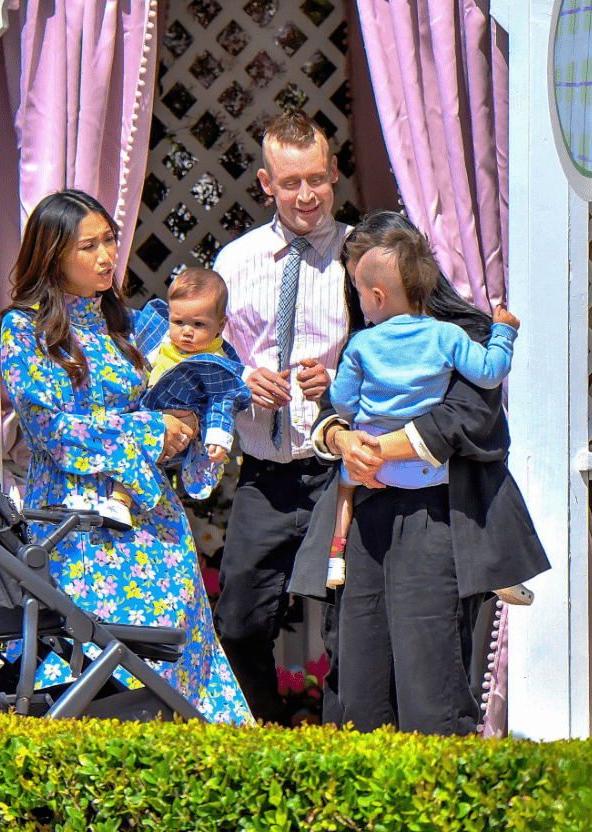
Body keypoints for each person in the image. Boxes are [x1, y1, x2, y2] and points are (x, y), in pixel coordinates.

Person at [290, 210, 551, 735]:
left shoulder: (464, 332)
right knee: (358, 679)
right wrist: (341, 437)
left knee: (429, 681)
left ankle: (442, 787)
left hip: (437, 514)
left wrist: (371, 448)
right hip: (367, 515)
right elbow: (336, 413)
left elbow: (464, 417)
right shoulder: (368, 338)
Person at [0, 189, 253, 725]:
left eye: (109, 240)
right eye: (88, 246)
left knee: (181, 654)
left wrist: (195, 429)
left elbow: (184, 392)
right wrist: (150, 430)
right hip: (77, 523)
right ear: (53, 254)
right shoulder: (24, 329)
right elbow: (53, 431)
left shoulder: (133, 325)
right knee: (94, 662)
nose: (107, 256)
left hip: (153, 517)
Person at [211, 109, 349, 724]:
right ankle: (266, 735)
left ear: (334, 172)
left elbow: (395, 353)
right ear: (267, 183)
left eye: (316, 179)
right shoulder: (234, 261)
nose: (306, 195)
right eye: (291, 183)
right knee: (239, 623)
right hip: (265, 475)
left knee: (351, 624)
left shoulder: (360, 256)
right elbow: (202, 357)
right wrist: (243, 380)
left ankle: (347, 741)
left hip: (340, 477)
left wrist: (340, 384)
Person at [326, 227, 532, 606]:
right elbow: (490, 372)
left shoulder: (361, 344)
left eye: (358, 291)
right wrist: (503, 332)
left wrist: (347, 415)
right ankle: (497, 566)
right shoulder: (447, 336)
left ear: (377, 296)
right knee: (481, 478)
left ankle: (334, 558)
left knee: (343, 488)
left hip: (371, 466)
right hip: (430, 470)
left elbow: (341, 402)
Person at [105, 268, 251, 522]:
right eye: (179, 322)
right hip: (144, 410)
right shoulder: (161, 336)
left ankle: (120, 502)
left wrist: (218, 438)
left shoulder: (216, 363)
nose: (187, 331)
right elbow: (136, 336)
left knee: (144, 454)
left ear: (220, 325)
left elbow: (223, 400)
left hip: (180, 425)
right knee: (131, 447)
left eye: (199, 324)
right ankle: (122, 502)